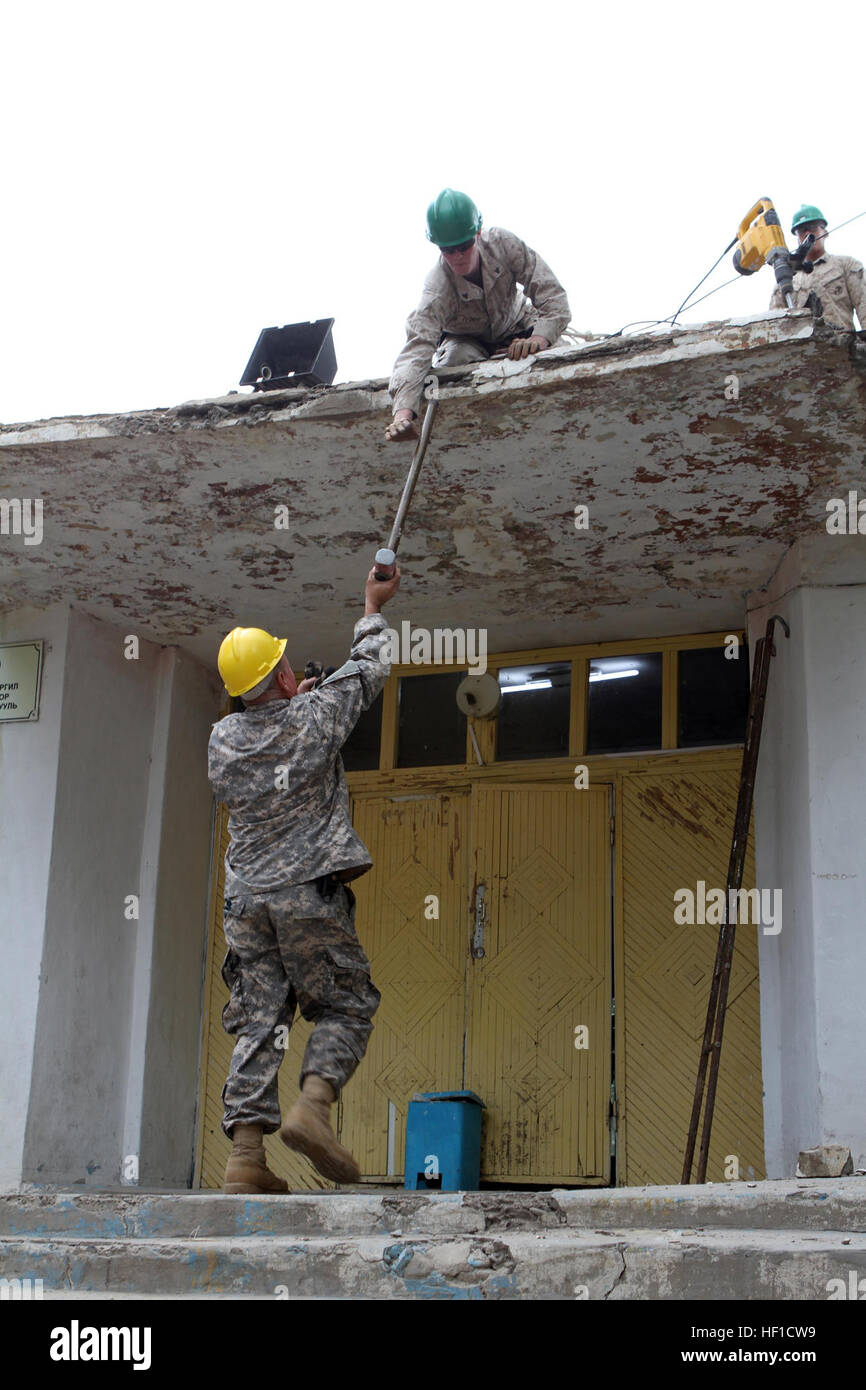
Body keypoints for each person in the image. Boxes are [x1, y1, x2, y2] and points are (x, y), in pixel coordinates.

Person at [208, 560, 400, 1193]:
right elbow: (369, 670)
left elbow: (267, 730)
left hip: (245, 902)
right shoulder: (314, 719)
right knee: (347, 1003)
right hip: (307, 893)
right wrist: (372, 605)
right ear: (284, 673)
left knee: (260, 1016)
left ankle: (245, 1159)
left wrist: (300, 695)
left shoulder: (221, 741)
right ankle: (313, 1110)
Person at [386, 188, 571, 442]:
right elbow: (416, 349)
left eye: (463, 246)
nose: (457, 256)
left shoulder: (504, 245)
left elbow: (553, 296)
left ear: (478, 233)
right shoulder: (436, 289)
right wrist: (402, 416)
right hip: (466, 341)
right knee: (451, 366)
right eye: (448, 250)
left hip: (518, 324)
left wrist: (538, 340)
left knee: (563, 353)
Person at [770, 204, 866, 329]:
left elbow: (863, 304)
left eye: (813, 227)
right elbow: (774, 322)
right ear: (797, 238)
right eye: (802, 230)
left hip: (842, 345)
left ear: (825, 232)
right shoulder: (786, 279)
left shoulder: (846, 265)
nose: (808, 233)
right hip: (802, 346)